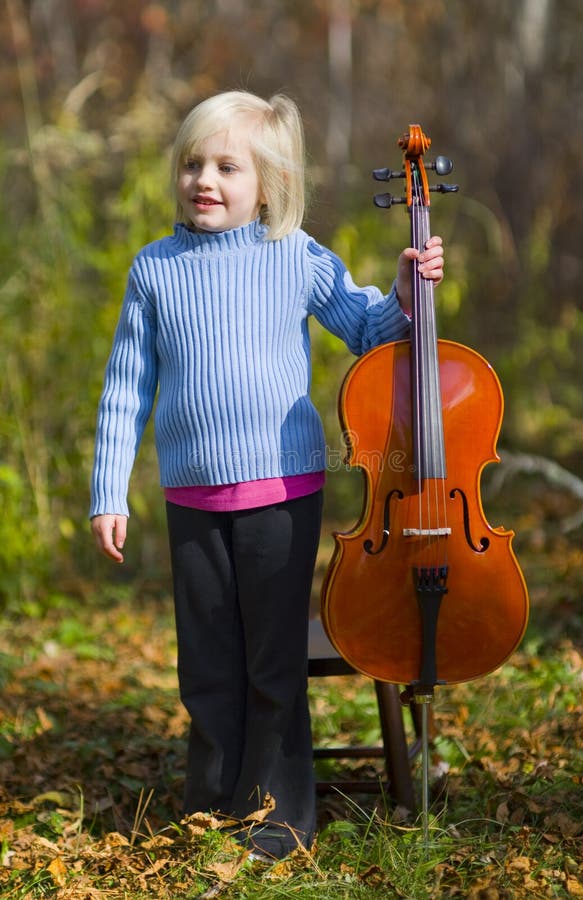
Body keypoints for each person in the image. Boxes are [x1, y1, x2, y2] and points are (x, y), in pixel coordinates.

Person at [90, 90, 444, 860]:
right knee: (208, 664)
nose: (204, 180)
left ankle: (279, 817)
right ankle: (211, 806)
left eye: (226, 166)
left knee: (272, 663)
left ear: (270, 184)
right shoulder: (155, 270)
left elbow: (367, 329)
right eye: (192, 164)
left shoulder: (296, 254)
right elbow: (126, 387)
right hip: (191, 495)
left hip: (284, 494)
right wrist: (106, 491)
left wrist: (409, 287)